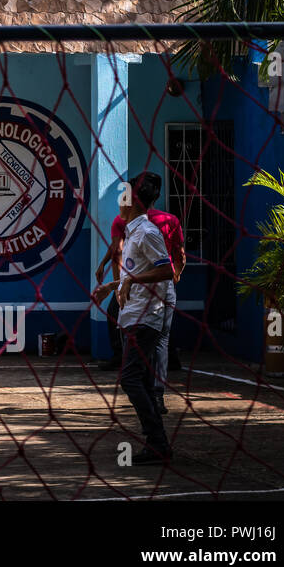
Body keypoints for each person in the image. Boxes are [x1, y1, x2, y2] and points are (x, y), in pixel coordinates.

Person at [92, 173, 176, 464]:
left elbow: (166, 271)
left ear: (132, 201)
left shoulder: (147, 233)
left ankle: (157, 442)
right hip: (134, 314)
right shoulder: (132, 232)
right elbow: (135, 274)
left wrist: (130, 281)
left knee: (130, 378)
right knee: (137, 377)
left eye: (123, 195)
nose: (119, 200)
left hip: (146, 317)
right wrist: (112, 286)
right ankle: (158, 443)